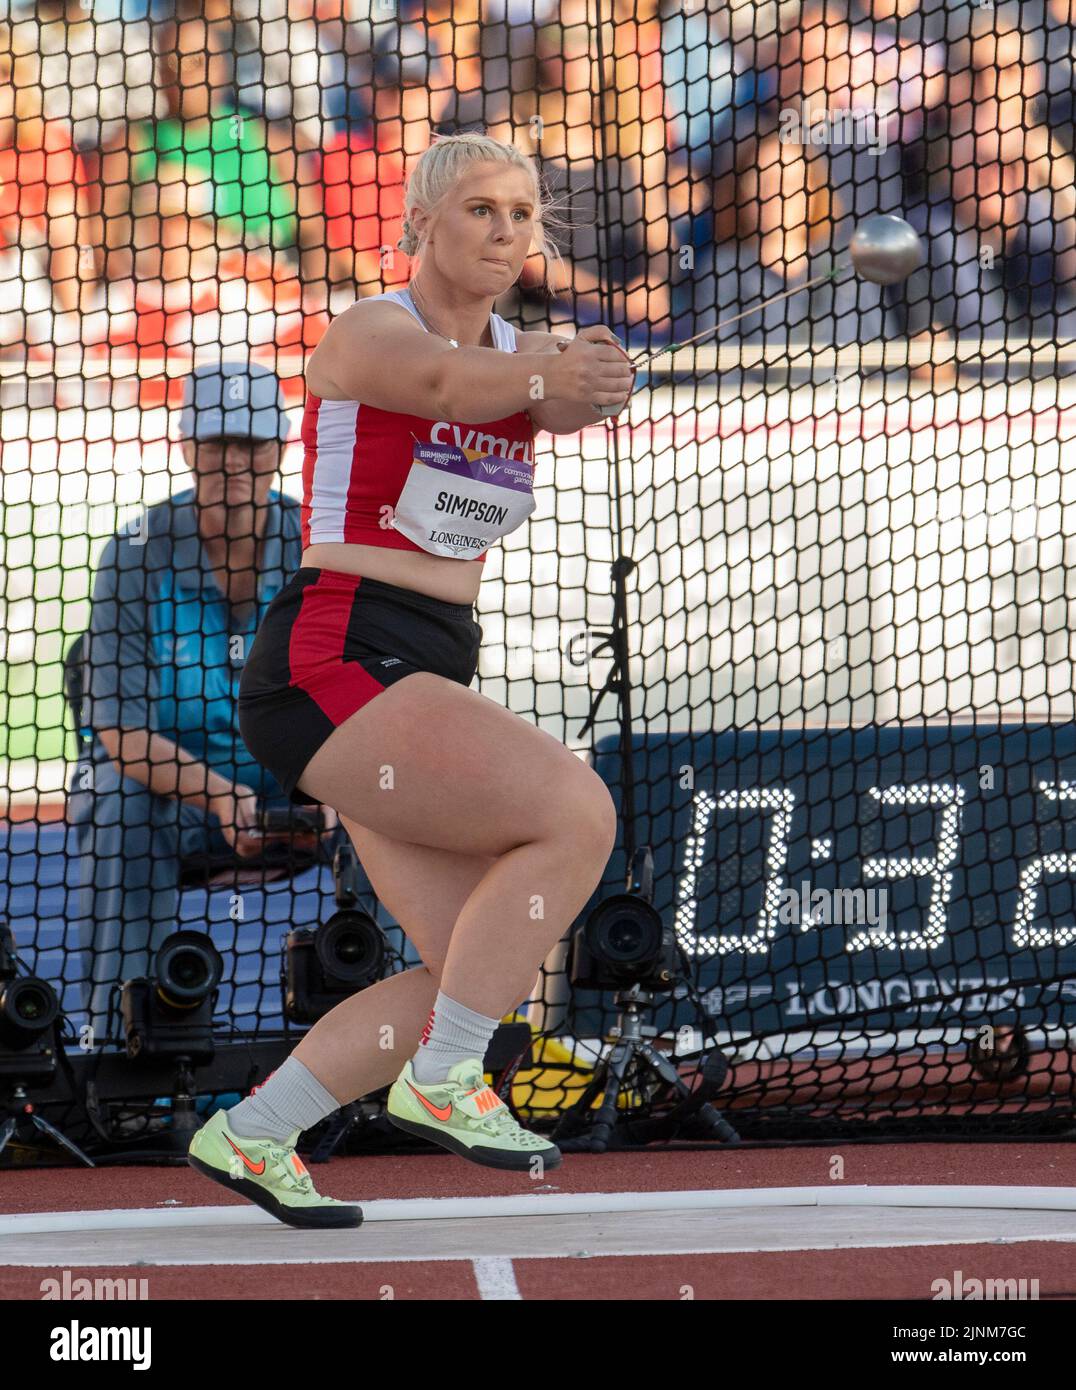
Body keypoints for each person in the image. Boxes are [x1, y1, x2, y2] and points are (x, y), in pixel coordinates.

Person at [186, 131, 634, 1229]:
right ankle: (442, 1083)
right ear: (420, 225)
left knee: (474, 977)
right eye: (479, 210)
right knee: (574, 814)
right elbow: (444, 381)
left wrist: (594, 377)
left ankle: (253, 1131)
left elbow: (554, 398)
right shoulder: (369, 331)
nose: (504, 232)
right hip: (333, 653)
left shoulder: (517, 350)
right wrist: (548, 372)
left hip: (419, 662)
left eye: (522, 215)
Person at [70, 362, 306, 1044]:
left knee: (396, 797)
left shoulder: (320, 545)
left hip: (301, 785)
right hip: (178, 796)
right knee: (117, 797)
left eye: (251, 443)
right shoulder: (133, 557)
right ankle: (121, 1038)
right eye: (216, 442)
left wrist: (338, 788)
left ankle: (408, 1050)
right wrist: (224, 799)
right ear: (185, 447)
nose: (233, 461)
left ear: (280, 450)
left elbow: (363, 700)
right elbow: (120, 732)